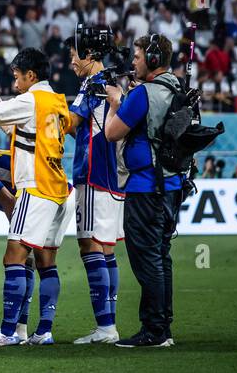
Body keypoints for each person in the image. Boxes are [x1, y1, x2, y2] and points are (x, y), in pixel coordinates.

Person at [0, 48, 74, 347]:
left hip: (36, 188)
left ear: (31, 75)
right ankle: (44, 331)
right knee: (46, 262)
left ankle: (7, 333)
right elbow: (10, 120)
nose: (14, 81)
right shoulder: (54, 100)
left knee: (13, 255)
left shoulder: (31, 100)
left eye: (17, 76)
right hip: (61, 190)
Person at [103, 34, 184, 348]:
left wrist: (114, 103)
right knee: (161, 257)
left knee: (146, 259)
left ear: (151, 58)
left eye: (136, 57)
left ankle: (153, 330)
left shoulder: (143, 94)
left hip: (145, 186)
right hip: (172, 184)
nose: (132, 62)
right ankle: (163, 327)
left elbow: (112, 133)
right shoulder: (176, 87)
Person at [66, 27, 125, 345]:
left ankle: (105, 327)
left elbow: (71, 123)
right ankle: (109, 325)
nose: (71, 62)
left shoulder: (93, 83)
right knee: (106, 247)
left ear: (89, 55)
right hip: (115, 174)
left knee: (90, 245)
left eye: (74, 55)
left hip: (92, 172)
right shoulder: (114, 82)